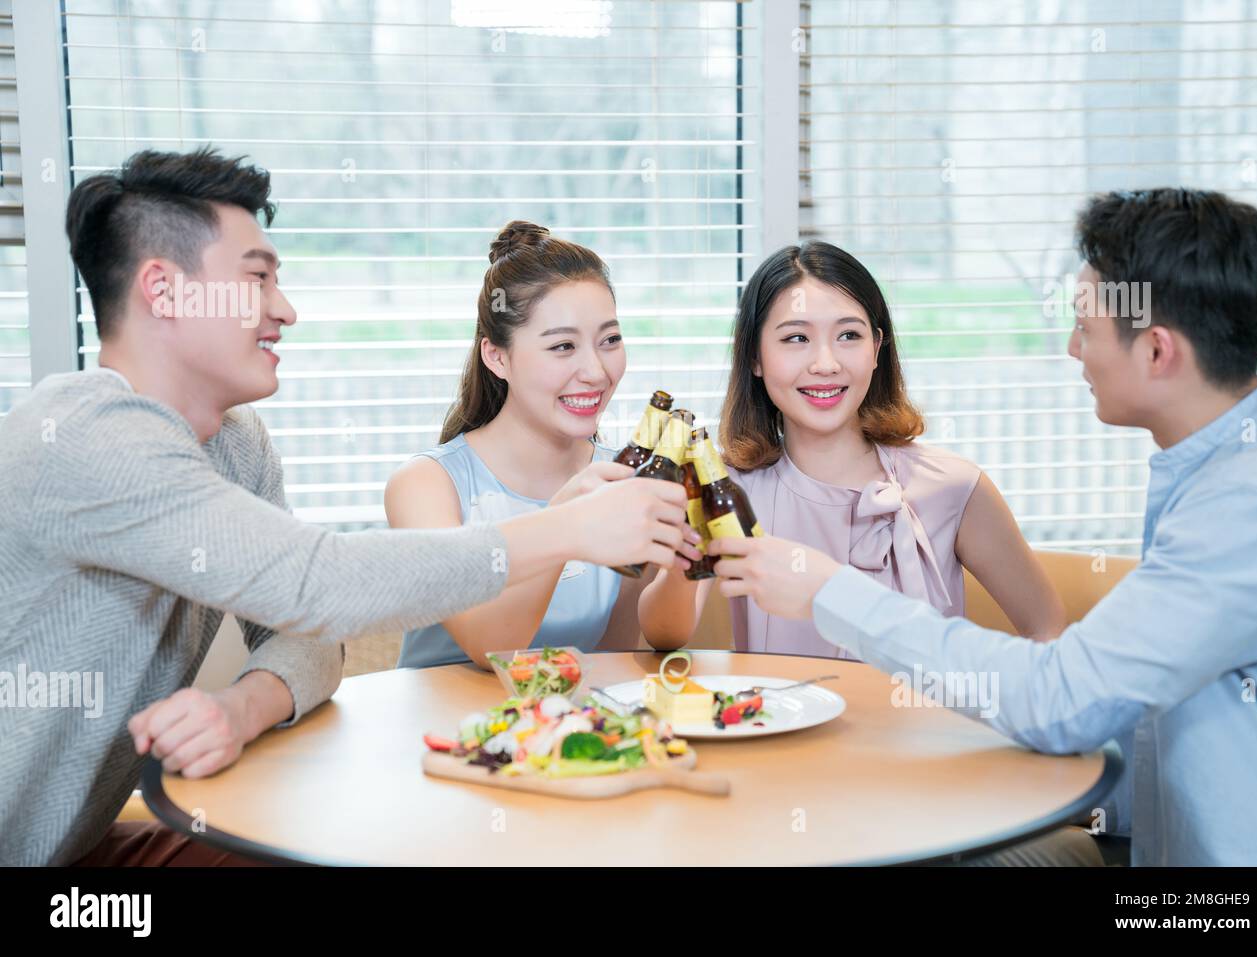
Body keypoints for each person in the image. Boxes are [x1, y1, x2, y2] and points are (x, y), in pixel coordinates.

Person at [0, 149, 688, 866]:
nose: (285, 309)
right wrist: (565, 528)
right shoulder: (84, 434)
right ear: (164, 290)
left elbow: (308, 634)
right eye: (257, 278)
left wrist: (242, 707)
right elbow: (318, 582)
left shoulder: (235, 444)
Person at [709, 188, 1257, 866]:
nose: (1073, 348)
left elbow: (1063, 696)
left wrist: (830, 590)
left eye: (1085, 325)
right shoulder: (1230, 467)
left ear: (1158, 350)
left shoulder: (1253, 504)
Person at [637, 241, 1066, 656]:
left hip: (921, 728)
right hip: (783, 728)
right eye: (796, 339)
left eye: (848, 335)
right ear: (755, 358)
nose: (826, 363)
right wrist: (683, 558)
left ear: (877, 349)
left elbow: (1049, 632)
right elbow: (664, 637)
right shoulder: (726, 491)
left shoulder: (954, 487)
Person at [386, 221, 701, 668]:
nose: (595, 371)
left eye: (610, 340)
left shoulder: (627, 479)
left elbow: (621, 650)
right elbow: (491, 650)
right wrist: (566, 521)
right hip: (444, 732)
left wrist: (687, 563)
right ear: (497, 356)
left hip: (564, 728)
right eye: (563, 347)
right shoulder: (426, 486)